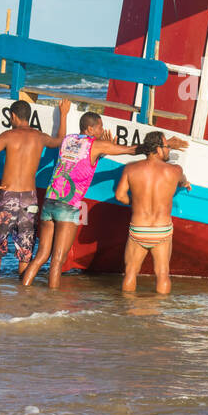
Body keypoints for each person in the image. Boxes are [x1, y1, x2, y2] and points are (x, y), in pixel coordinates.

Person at [21, 111, 186, 289]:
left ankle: (23, 291)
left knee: (41, 255)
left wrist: (105, 146)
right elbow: (131, 150)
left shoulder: (68, 140)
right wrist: (166, 143)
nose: (102, 129)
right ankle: (52, 303)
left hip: (49, 201)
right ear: (90, 128)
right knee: (58, 260)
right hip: (68, 206)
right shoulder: (96, 145)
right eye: (100, 127)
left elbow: (82, 156)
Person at [0, 98, 72, 280]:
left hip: (7, 196)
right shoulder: (38, 136)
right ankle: (23, 293)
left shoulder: (8, 135)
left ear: (13, 116)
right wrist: (63, 115)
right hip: (29, 199)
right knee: (25, 249)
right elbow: (60, 141)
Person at [114, 131, 190, 296]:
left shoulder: (131, 169)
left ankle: (126, 312)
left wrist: (135, 202)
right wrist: (185, 183)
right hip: (161, 230)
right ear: (158, 149)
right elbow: (182, 180)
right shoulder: (175, 170)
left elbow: (120, 195)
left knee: (131, 272)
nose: (169, 150)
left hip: (139, 229)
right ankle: (158, 317)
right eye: (167, 146)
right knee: (162, 273)